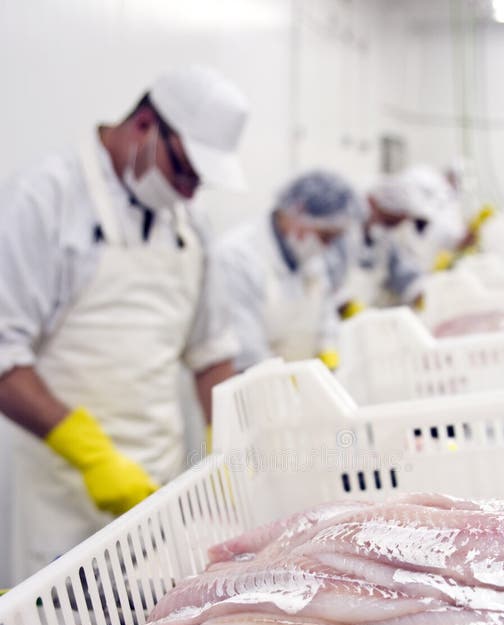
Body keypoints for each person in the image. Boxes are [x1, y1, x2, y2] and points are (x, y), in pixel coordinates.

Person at [0, 63, 249, 583]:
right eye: (183, 171)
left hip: (154, 489)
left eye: (199, 181)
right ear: (143, 126)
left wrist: (230, 454)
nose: (188, 193)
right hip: (58, 487)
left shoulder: (190, 227)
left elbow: (210, 355)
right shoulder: (43, 198)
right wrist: (89, 453)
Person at [215, 170, 360, 373]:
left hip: (301, 387)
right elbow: (246, 352)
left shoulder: (310, 256)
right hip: (253, 390)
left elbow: (326, 313)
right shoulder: (237, 258)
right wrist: (287, 385)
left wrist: (328, 352)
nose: (328, 247)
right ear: (299, 214)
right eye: (325, 236)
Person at [334, 167, 450, 316]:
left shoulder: (384, 238)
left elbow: (401, 271)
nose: (391, 228)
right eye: (388, 220)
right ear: (373, 203)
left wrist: (420, 292)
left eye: (393, 223)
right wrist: (344, 304)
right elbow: (322, 279)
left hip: (367, 318)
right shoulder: (340, 234)